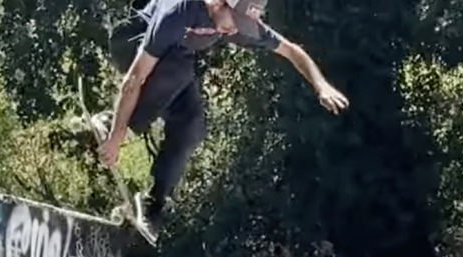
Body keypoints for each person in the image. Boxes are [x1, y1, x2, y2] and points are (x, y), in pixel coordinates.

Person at [101, 0, 349, 242]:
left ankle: (153, 202)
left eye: (242, 25)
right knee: (178, 69)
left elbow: (292, 50)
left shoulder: (236, 23)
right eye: (235, 23)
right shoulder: (178, 11)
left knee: (192, 124)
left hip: (172, 63)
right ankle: (111, 119)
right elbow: (135, 78)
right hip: (133, 40)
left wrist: (321, 85)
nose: (235, 31)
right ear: (219, 4)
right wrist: (117, 133)